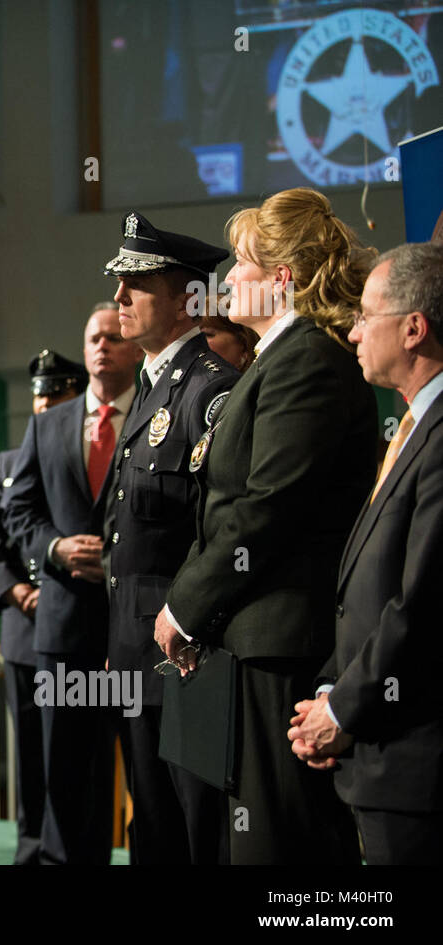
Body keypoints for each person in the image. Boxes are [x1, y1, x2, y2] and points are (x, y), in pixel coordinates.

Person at [154, 187, 377, 865]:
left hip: (279, 641)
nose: (227, 281)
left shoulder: (306, 358)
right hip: (246, 635)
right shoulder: (277, 359)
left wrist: (183, 607)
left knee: (277, 848)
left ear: (281, 278)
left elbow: (268, 505)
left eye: (243, 265)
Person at [289, 242, 443, 864]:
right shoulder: (408, 431)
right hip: (380, 752)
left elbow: (423, 604)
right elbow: (368, 593)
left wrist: (343, 710)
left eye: (365, 316)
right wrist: (329, 694)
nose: (352, 331)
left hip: (415, 765)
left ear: (413, 327)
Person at [102, 212, 239, 864]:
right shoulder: (152, 387)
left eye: (137, 285)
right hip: (137, 654)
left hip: (186, 656)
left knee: (197, 833)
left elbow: (222, 527)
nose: (120, 298)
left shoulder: (210, 389)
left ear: (188, 297)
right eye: (118, 284)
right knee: (152, 833)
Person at [4, 303, 142, 864]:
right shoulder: (46, 425)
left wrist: (115, 561)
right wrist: (56, 549)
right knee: (65, 781)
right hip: (63, 635)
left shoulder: (155, 416)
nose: (102, 346)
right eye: (93, 338)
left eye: (113, 337)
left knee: (147, 778)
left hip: (136, 632)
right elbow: (19, 515)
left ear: (133, 347)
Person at [0, 348, 82, 864]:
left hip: (77, 620)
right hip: (24, 628)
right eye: (39, 395)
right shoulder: (9, 463)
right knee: (30, 756)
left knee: (76, 755)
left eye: (55, 394)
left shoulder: (92, 453)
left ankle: (74, 848)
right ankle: (30, 851)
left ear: (74, 396)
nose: (44, 404)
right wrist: (15, 591)